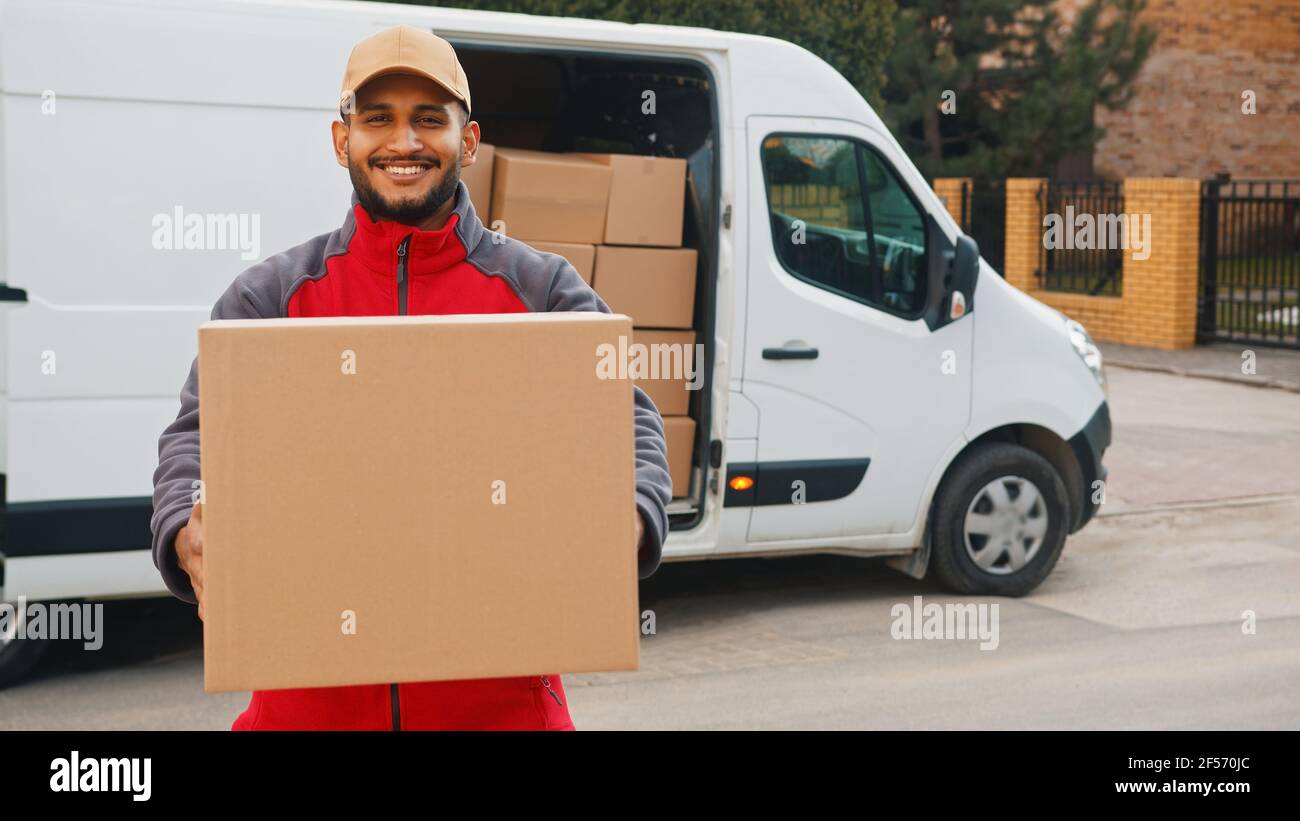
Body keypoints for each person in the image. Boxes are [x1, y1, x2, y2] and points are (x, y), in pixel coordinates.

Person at [149, 25, 673, 731]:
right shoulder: (270, 297)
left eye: (430, 119)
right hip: (307, 712)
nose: (405, 142)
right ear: (342, 142)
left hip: (502, 710)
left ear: (469, 140)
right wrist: (185, 528)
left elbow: (628, 417)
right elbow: (194, 438)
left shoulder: (540, 290)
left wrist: (630, 517)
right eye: (378, 120)